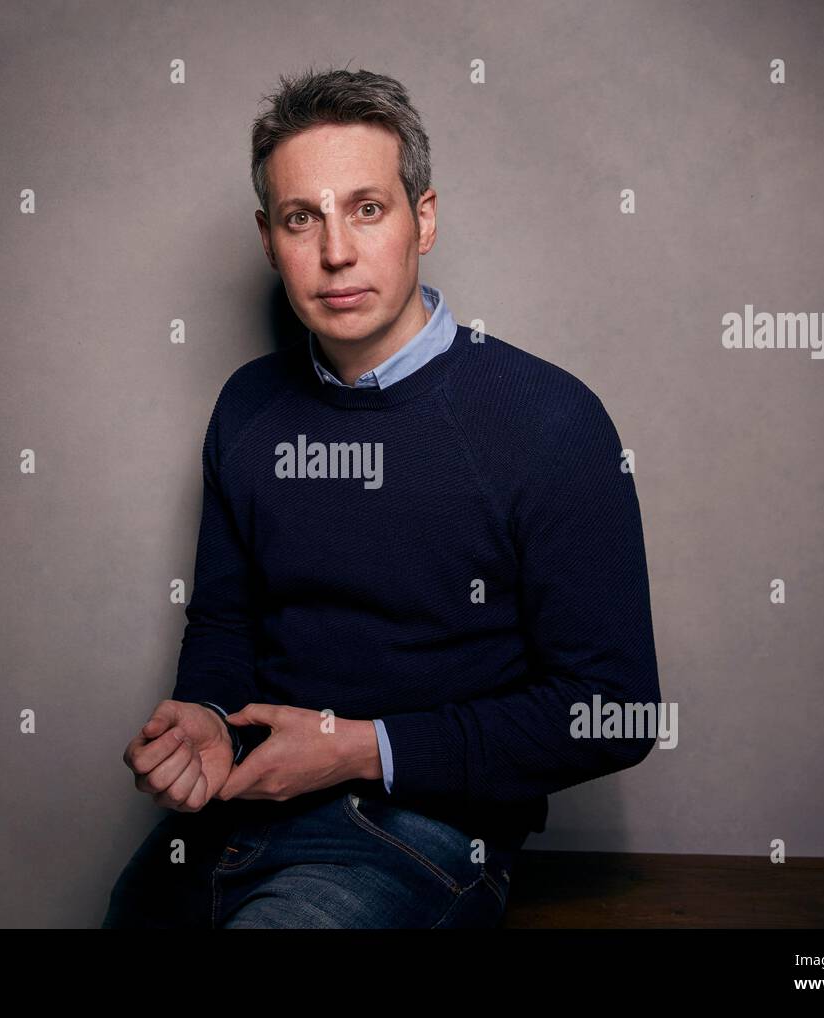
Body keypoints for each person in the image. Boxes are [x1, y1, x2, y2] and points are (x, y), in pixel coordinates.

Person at [101, 66, 661, 929]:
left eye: (367, 208)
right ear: (268, 238)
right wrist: (207, 716)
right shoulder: (248, 408)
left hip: (424, 836)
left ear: (422, 219)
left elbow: (615, 711)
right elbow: (225, 621)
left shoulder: (549, 420)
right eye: (302, 218)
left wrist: (359, 750)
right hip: (238, 817)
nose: (335, 252)